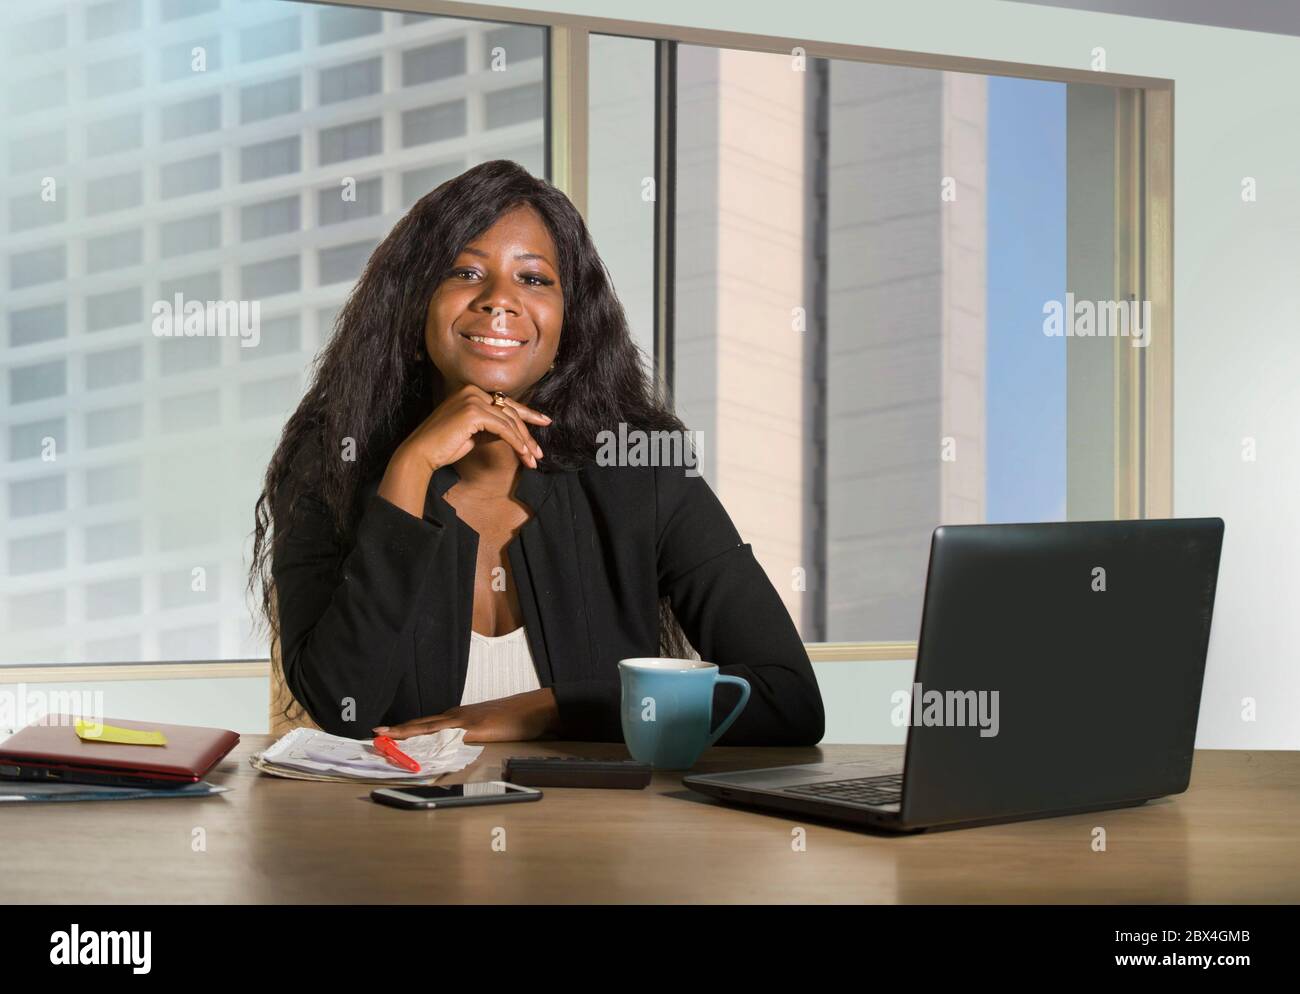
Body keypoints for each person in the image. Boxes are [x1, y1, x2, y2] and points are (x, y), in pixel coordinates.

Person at [250, 159, 824, 745]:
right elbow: (342, 712)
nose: (500, 300)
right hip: (397, 830)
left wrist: (550, 709)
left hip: (596, 835)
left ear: (568, 321)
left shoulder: (642, 472)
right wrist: (411, 467)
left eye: (533, 279)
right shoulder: (329, 468)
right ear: (415, 304)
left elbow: (789, 699)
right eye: (465, 273)